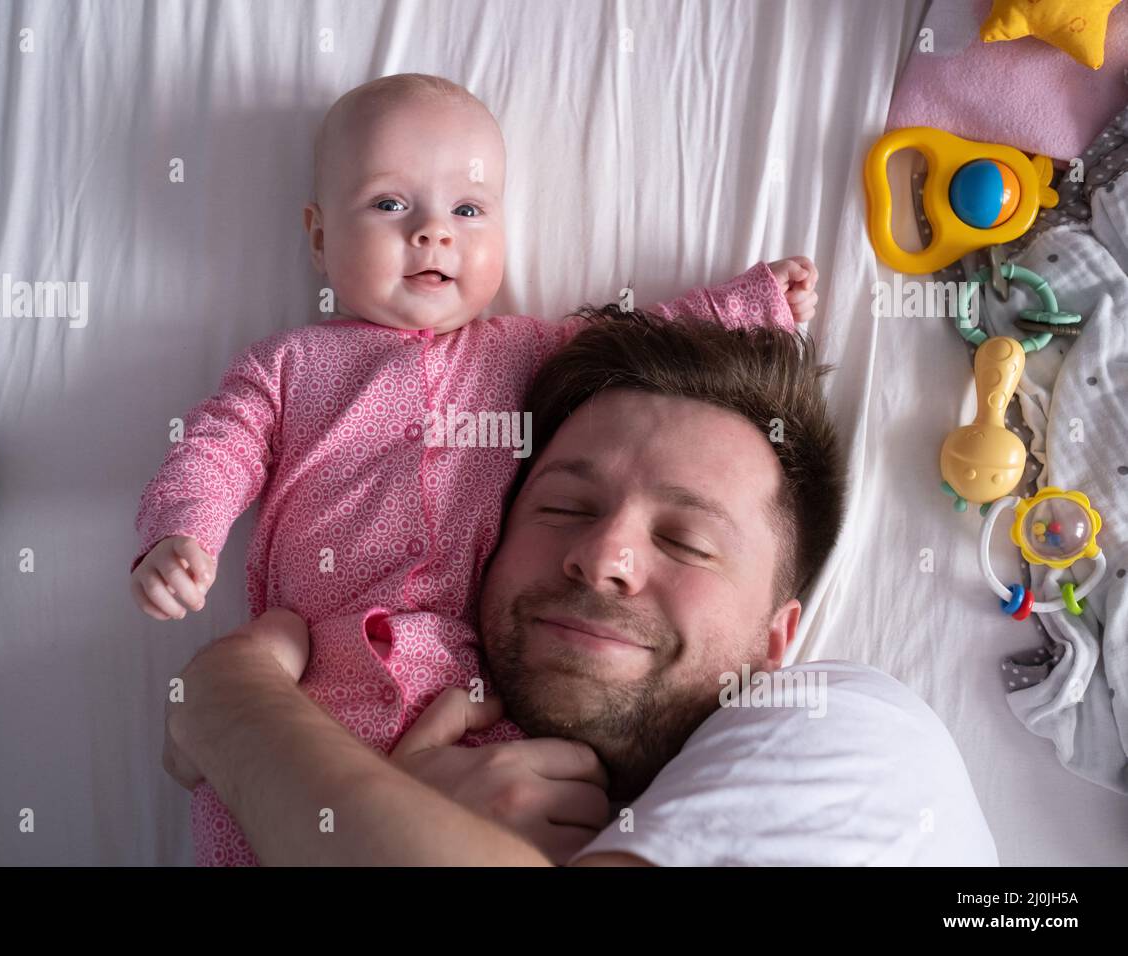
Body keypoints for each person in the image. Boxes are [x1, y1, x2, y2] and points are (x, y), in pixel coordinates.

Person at [129, 71, 817, 864]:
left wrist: (747, 306)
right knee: (250, 767)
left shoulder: (523, 355)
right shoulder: (287, 365)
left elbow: (640, 348)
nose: (432, 234)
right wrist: (183, 534)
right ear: (318, 237)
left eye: (468, 210)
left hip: (469, 680)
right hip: (315, 663)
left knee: (555, 793)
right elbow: (216, 448)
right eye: (390, 205)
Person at [162, 309, 1000, 866]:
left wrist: (225, 694)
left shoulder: (862, 734)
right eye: (564, 506)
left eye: (686, 540)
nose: (604, 556)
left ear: (777, 640)